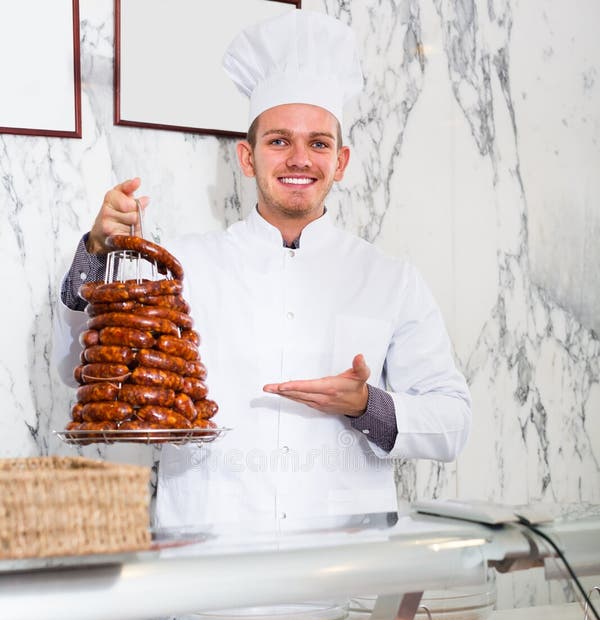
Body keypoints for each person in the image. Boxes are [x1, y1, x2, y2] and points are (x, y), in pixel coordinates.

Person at [56, 10, 471, 531]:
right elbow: (76, 364)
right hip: (207, 552)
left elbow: (453, 421)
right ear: (247, 158)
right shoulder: (181, 266)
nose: (299, 159)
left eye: (318, 143)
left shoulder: (391, 279)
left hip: (345, 559)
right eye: (278, 141)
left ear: (341, 162)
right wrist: (98, 249)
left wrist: (368, 405)